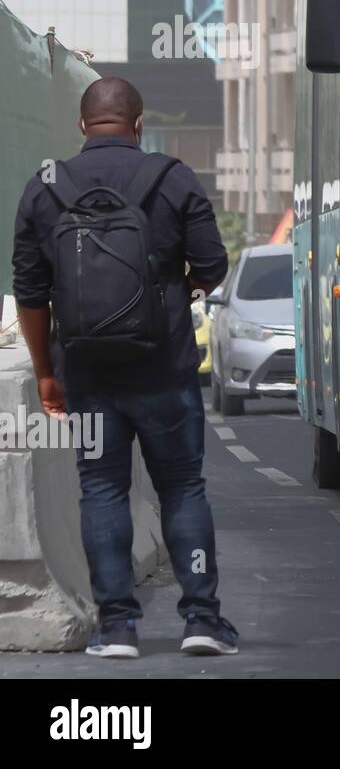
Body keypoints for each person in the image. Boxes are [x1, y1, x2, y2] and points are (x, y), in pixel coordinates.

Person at [11, 77, 236, 660]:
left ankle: (117, 629)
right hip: (165, 370)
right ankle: (202, 621)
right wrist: (169, 295)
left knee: (102, 490)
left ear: (82, 127)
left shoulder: (45, 187)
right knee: (184, 488)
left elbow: (30, 293)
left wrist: (45, 372)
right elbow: (213, 264)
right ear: (138, 126)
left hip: (86, 375)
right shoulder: (171, 176)